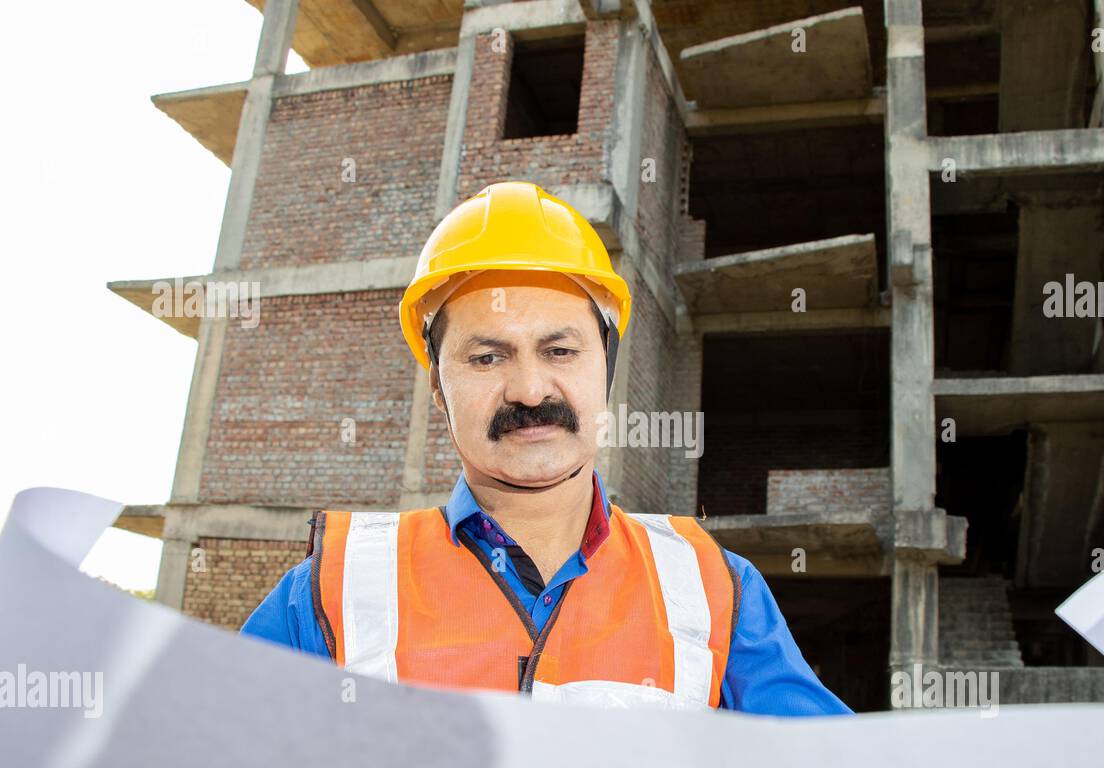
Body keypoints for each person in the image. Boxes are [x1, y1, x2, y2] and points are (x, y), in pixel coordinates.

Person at [241, 180, 851, 716]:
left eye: (560, 351)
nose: (530, 390)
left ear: (604, 370)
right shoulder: (331, 592)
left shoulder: (713, 586)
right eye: (487, 357)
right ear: (437, 387)